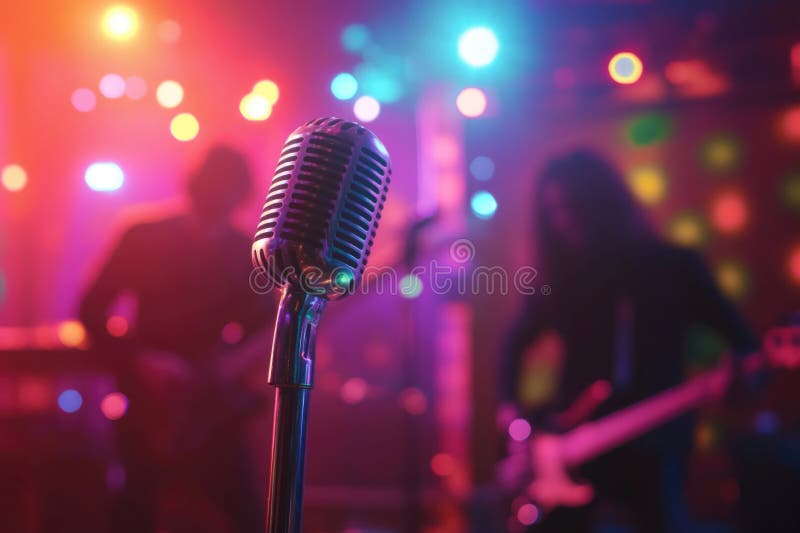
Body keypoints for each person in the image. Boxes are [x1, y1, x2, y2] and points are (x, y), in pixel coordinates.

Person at [500, 150, 757, 533]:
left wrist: (737, 378)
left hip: (655, 439)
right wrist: (514, 422)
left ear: (602, 204)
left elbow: (745, 344)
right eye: (554, 211)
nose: (565, 221)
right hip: (571, 443)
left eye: (574, 207)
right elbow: (512, 347)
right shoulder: (560, 277)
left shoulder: (673, 266)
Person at [80, 145, 273, 533]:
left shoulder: (244, 251)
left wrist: (229, 363)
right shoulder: (143, 236)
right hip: (150, 403)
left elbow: (263, 325)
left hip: (210, 407)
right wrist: (142, 360)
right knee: (135, 509)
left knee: (246, 514)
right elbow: (90, 310)